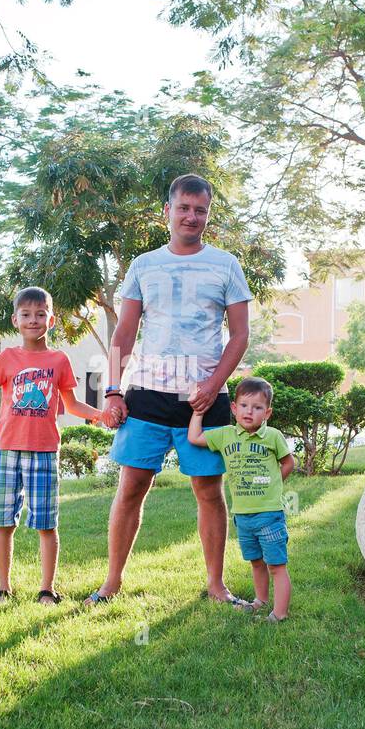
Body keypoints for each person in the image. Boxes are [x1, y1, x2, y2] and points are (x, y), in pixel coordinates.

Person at [87, 173, 252, 606]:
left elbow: (239, 336)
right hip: (147, 396)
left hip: (204, 401)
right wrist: (113, 391)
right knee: (132, 486)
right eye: (184, 208)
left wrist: (214, 386)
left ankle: (217, 586)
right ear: (168, 212)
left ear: (208, 215)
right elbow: (123, 333)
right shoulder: (144, 265)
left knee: (209, 491)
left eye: (200, 210)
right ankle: (112, 583)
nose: (191, 217)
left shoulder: (226, 265)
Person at [0, 286, 101, 604]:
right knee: (3, 520)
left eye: (40, 314)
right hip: (7, 450)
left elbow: (71, 405)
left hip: (43, 451)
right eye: (26, 315)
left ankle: (47, 589)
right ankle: (3, 587)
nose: (33, 320)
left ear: (51, 319)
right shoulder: (7, 358)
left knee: (46, 522)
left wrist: (101, 414)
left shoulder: (59, 359)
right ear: (15, 320)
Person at [187, 377, 294, 621]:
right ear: (234, 409)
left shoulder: (272, 437)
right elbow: (195, 438)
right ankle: (261, 600)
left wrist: (274, 484)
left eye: (257, 408)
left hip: (269, 513)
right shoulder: (226, 436)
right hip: (242, 515)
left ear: (267, 413)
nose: (249, 412)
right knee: (256, 562)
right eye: (244, 406)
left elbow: (288, 462)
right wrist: (198, 412)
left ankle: (280, 613)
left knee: (276, 565)